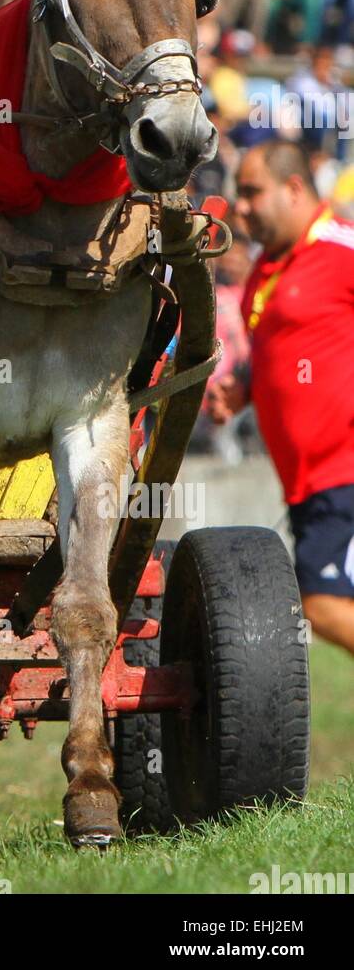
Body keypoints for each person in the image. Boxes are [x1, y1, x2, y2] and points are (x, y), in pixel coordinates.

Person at [210, 140, 354, 656]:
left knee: (321, 601)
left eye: (251, 192)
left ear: (294, 189)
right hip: (308, 484)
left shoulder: (341, 248)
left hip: (345, 476)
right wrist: (244, 388)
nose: (241, 206)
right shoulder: (269, 269)